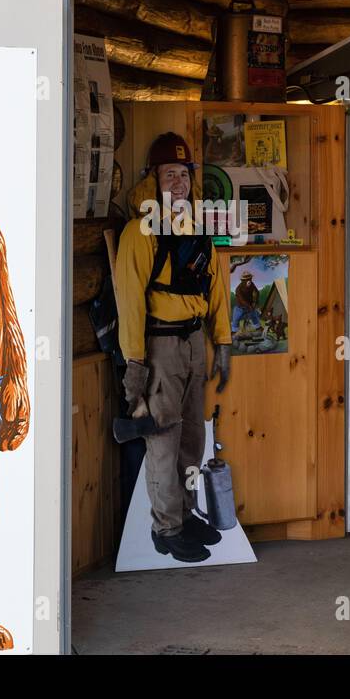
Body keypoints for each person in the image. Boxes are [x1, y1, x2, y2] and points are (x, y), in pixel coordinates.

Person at [114, 132, 232, 563]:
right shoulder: (138, 233)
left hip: (194, 341)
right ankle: (167, 529)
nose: (178, 183)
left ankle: (184, 512)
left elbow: (216, 286)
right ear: (154, 180)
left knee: (192, 440)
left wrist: (223, 340)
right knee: (162, 441)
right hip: (160, 344)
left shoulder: (197, 229)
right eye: (170, 174)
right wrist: (135, 363)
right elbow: (130, 303)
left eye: (183, 174)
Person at [232, 269, 263, 340]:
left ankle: (258, 328)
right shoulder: (238, 289)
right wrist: (249, 306)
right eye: (246, 279)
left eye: (249, 279)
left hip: (250, 305)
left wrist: (255, 302)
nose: (248, 281)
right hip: (240, 307)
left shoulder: (252, 284)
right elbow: (241, 300)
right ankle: (234, 332)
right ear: (242, 281)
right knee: (236, 319)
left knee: (254, 316)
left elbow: (257, 292)